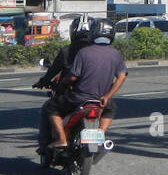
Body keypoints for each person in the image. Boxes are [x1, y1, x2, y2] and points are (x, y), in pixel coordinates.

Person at [42, 19, 126, 148]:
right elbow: (121, 77)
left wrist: (62, 84)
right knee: (110, 109)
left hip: (79, 98)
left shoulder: (83, 52)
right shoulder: (116, 54)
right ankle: (100, 135)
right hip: (101, 100)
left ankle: (62, 139)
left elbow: (73, 77)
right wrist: (107, 96)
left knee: (52, 107)